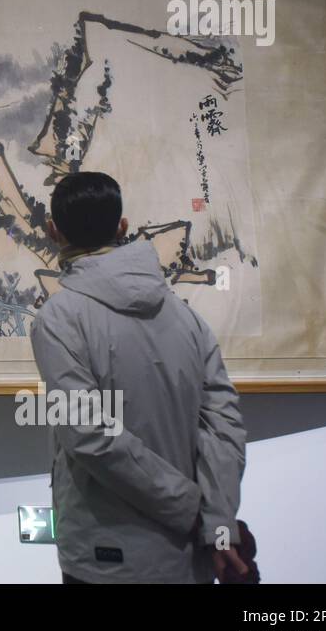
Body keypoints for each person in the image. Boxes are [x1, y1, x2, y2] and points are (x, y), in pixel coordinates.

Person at [29, 171, 248, 583]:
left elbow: (88, 435)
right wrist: (217, 524)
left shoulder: (58, 318)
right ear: (123, 226)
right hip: (189, 557)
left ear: (53, 232)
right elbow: (225, 425)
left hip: (105, 558)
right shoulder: (186, 316)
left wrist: (189, 507)